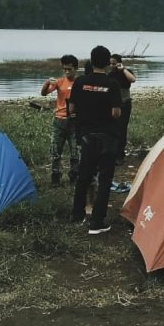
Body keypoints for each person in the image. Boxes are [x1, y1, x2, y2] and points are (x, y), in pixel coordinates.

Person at [69, 45, 123, 235]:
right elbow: (115, 113)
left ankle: (77, 215)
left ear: (91, 61)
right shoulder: (112, 84)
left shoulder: (79, 82)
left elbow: (72, 110)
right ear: (108, 63)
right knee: (105, 180)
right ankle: (97, 222)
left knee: (84, 177)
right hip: (107, 135)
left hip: (86, 135)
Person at [41, 54, 81, 187]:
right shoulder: (60, 81)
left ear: (76, 68)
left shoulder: (80, 82)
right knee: (56, 152)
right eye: (65, 69)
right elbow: (44, 93)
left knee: (75, 152)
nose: (67, 72)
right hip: (59, 120)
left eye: (70, 69)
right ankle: (55, 179)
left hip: (75, 121)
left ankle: (74, 177)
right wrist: (47, 82)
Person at [108, 53, 136, 163]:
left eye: (114, 63)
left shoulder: (126, 72)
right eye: (110, 63)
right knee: (113, 128)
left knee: (122, 129)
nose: (112, 66)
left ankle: (120, 155)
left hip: (125, 103)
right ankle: (113, 153)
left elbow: (133, 79)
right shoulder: (110, 75)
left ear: (119, 63)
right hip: (114, 104)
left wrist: (123, 69)